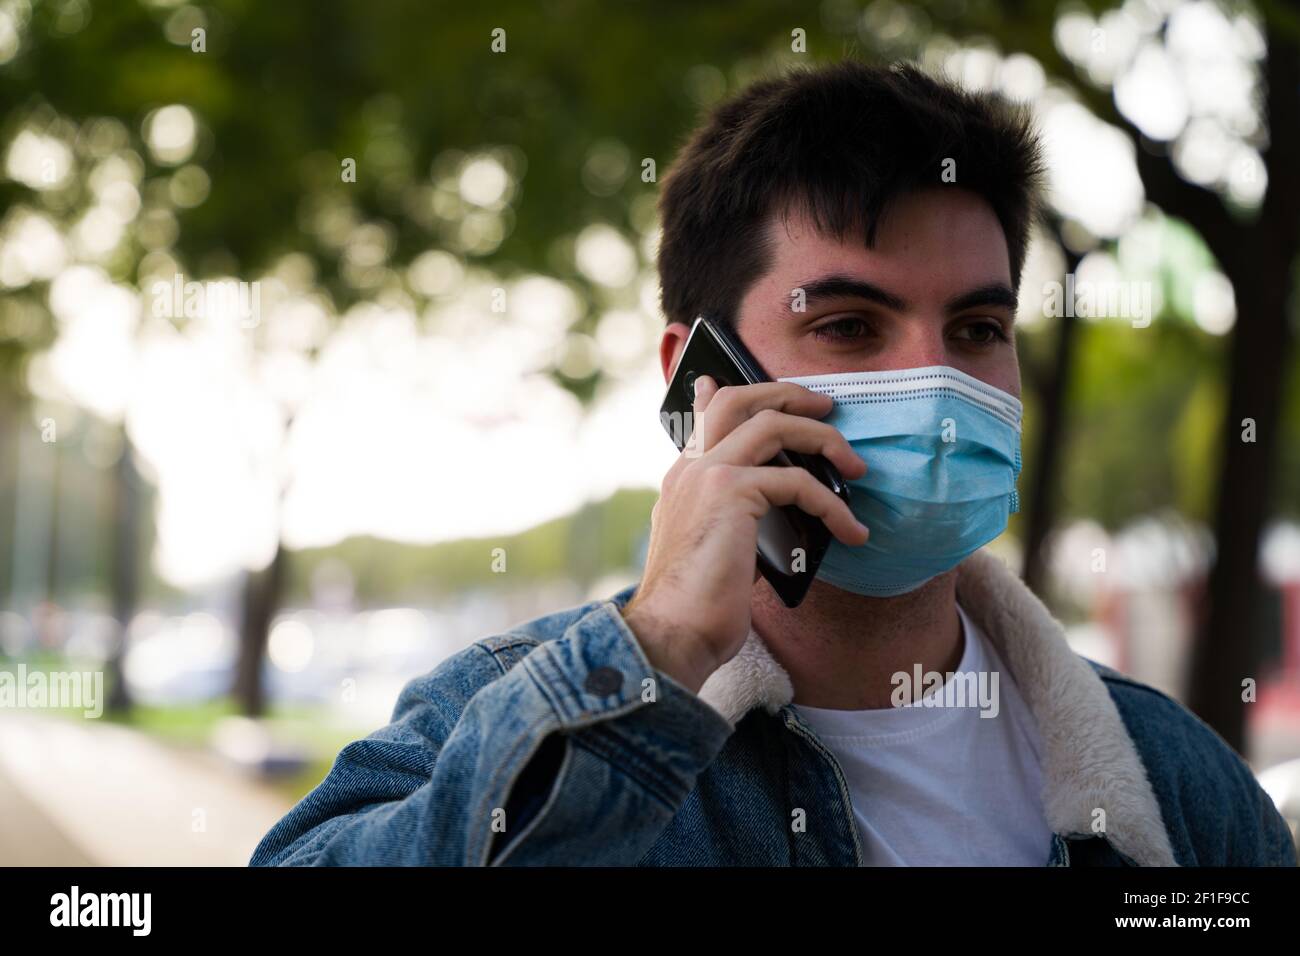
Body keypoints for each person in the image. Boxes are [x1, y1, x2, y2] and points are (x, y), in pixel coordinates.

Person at [250, 60, 1296, 867]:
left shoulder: (1172, 782)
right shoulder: (496, 717)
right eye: (848, 325)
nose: (935, 386)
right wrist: (654, 649)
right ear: (695, 377)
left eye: (977, 328)